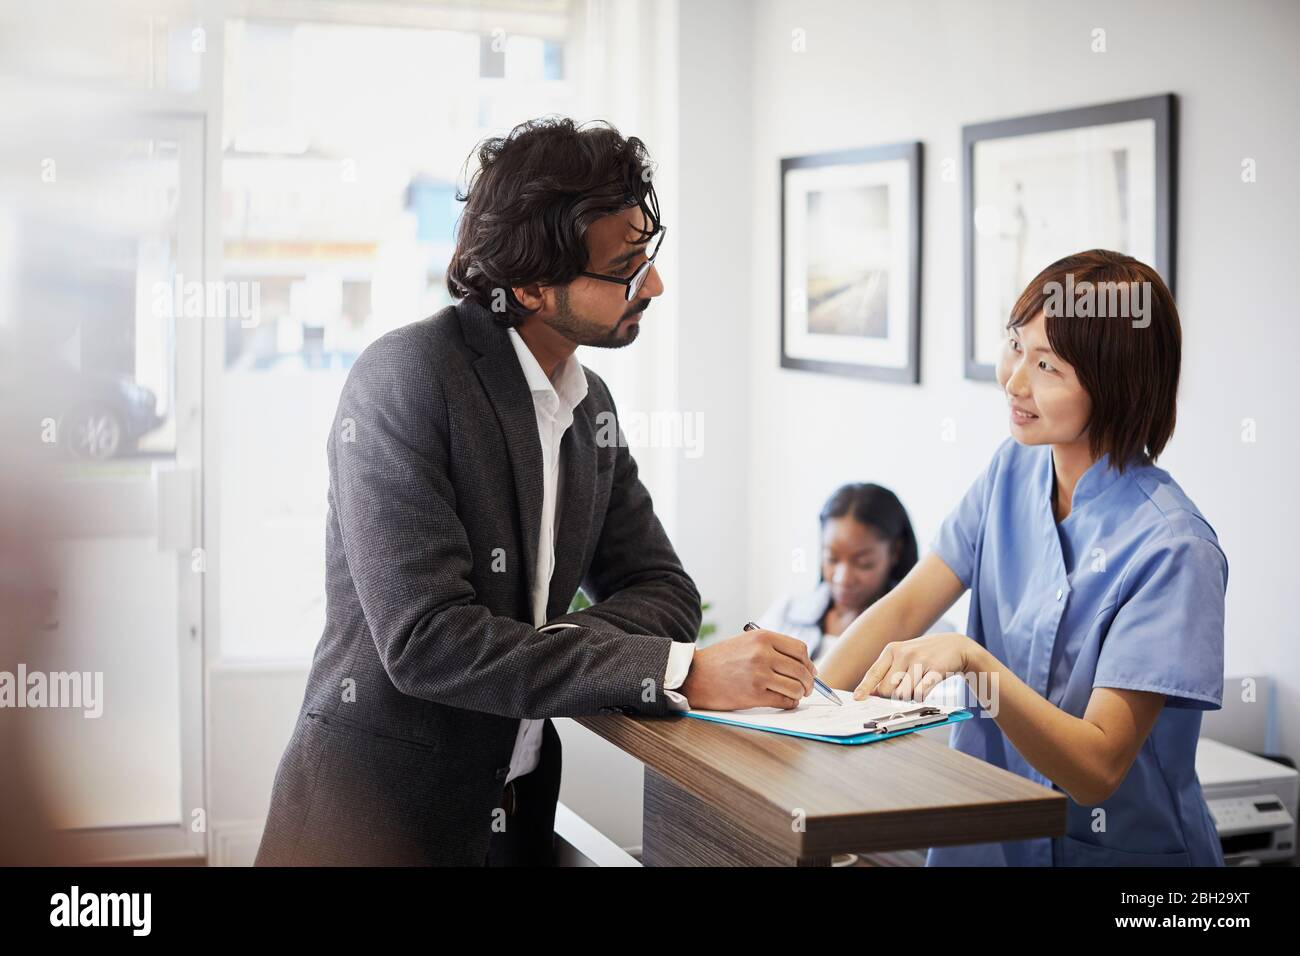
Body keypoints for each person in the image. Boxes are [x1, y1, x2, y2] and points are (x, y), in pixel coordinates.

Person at [255, 118, 815, 867]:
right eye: (624, 267)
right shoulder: (406, 380)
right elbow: (427, 644)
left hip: (517, 817)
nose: (652, 284)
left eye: (647, 256)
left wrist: (547, 646)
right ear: (528, 285)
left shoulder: (592, 407)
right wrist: (674, 669)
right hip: (375, 823)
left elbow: (664, 588)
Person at [819, 249, 1226, 866]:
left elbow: (1096, 768)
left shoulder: (1174, 547)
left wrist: (971, 660)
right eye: (1016, 346)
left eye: (1047, 366)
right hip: (984, 846)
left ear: (1115, 384)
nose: (1014, 381)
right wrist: (805, 707)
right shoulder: (1011, 472)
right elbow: (905, 611)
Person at [759, 483, 951, 667]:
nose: (843, 578)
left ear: (895, 552)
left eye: (863, 563)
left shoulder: (933, 634)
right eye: (832, 559)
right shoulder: (785, 613)